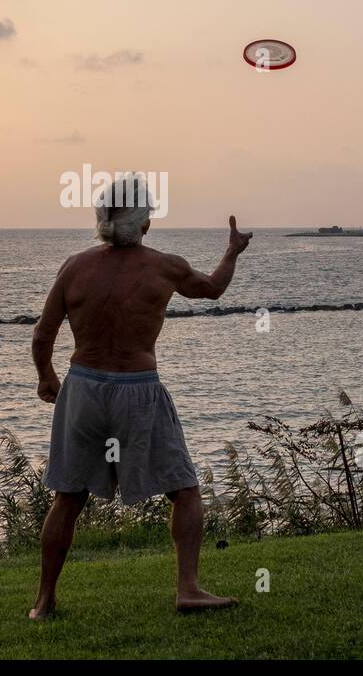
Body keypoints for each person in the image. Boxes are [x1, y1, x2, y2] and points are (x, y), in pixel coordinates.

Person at [29, 174, 252, 618]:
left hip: (84, 388)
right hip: (137, 389)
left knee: (68, 497)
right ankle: (188, 588)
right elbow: (212, 289)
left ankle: (43, 602)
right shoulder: (165, 266)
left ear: (101, 221)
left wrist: (46, 378)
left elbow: (42, 334)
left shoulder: (74, 266)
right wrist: (232, 251)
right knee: (184, 491)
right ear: (144, 223)